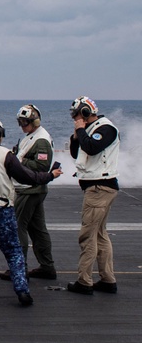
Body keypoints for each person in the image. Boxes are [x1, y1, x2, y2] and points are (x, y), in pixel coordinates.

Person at [0, 118, 61, 306]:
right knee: (13, 251)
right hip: (1, 208)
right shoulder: (5, 154)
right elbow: (27, 176)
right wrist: (49, 176)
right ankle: (22, 291)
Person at [67, 96, 121, 296]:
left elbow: (91, 147)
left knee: (87, 235)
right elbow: (76, 153)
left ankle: (84, 281)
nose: (75, 119)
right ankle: (107, 279)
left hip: (99, 188)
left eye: (77, 115)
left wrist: (81, 130)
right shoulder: (90, 130)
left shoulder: (106, 128)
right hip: (99, 188)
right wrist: (76, 134)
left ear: (85, 112)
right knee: (99, 234)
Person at [1, 104, 56, 282]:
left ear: (35, 121)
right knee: (38, 230)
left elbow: (42, 166)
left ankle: (19, 267)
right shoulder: (31, 137)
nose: (22, 125)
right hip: (31, 189)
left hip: (29, 190)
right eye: (20, 122)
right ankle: (47, 266)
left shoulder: (41, 140)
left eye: (25, 122)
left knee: (18, 228)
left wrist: (19, 164)